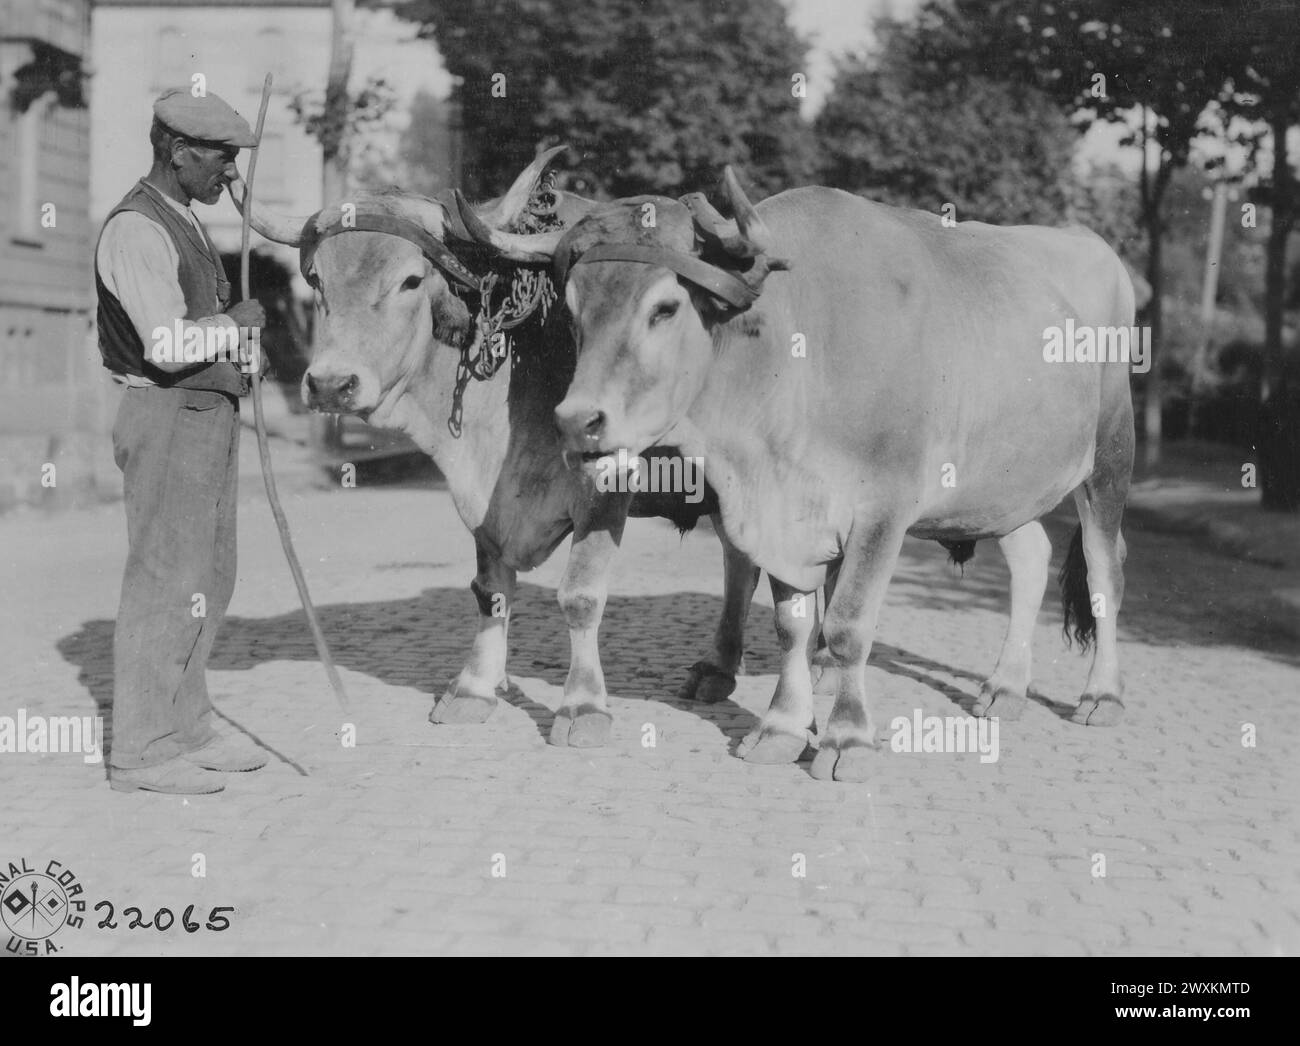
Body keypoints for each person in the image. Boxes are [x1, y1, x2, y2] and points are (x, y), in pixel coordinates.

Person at [95, 86, 268, 794]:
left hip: (204, 413)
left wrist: (242, 353)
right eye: (220, 157)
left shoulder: (184, 220)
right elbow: (166, 346)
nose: (230, 171)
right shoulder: (138, 228)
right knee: (165, 580)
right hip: (165, 414)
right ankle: (141, 750)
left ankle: (188, 726)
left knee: (207, 577)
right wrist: (234, 325)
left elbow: (197, 327)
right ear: (176, 150)